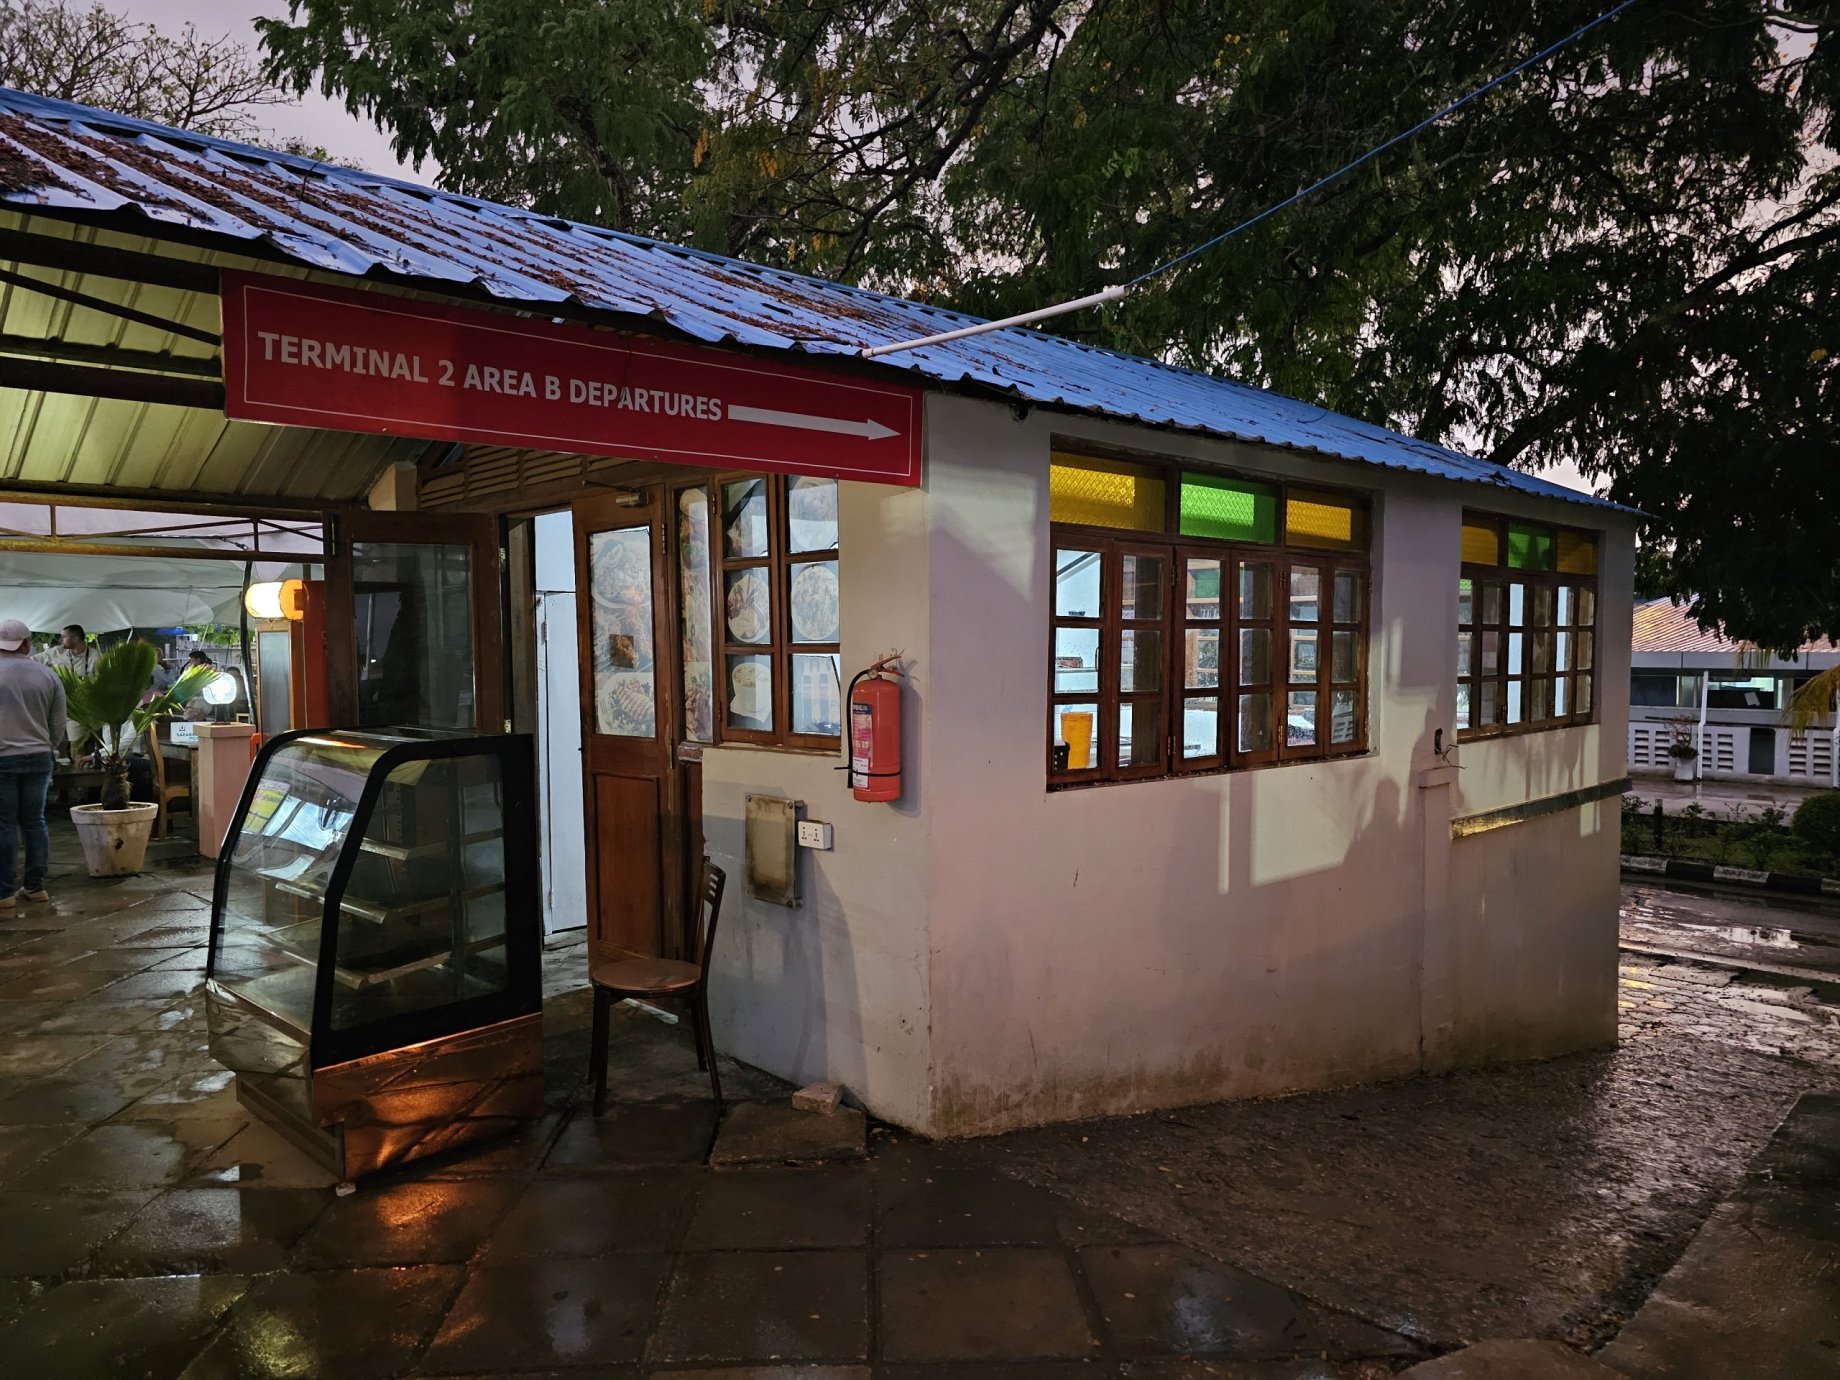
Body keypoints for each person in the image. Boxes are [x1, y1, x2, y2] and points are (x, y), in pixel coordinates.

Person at [0, 618, 66, 912]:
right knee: (35, 821)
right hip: (39, 756)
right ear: (27, 643)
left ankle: (4, 893)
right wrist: (47, 744)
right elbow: (58, 724)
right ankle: (36, 886)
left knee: (4, 824)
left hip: (2, 757)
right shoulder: (47, 675)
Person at [35, 624, 98, 756]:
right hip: (55, 706)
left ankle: (79, 772)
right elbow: (32, 661)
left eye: (64, 636)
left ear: (75, 639)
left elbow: (99, 684)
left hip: (78, 709)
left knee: (77, 747)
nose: (60, 639)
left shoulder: (94, 656)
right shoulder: (57, 652)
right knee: (55, 746)